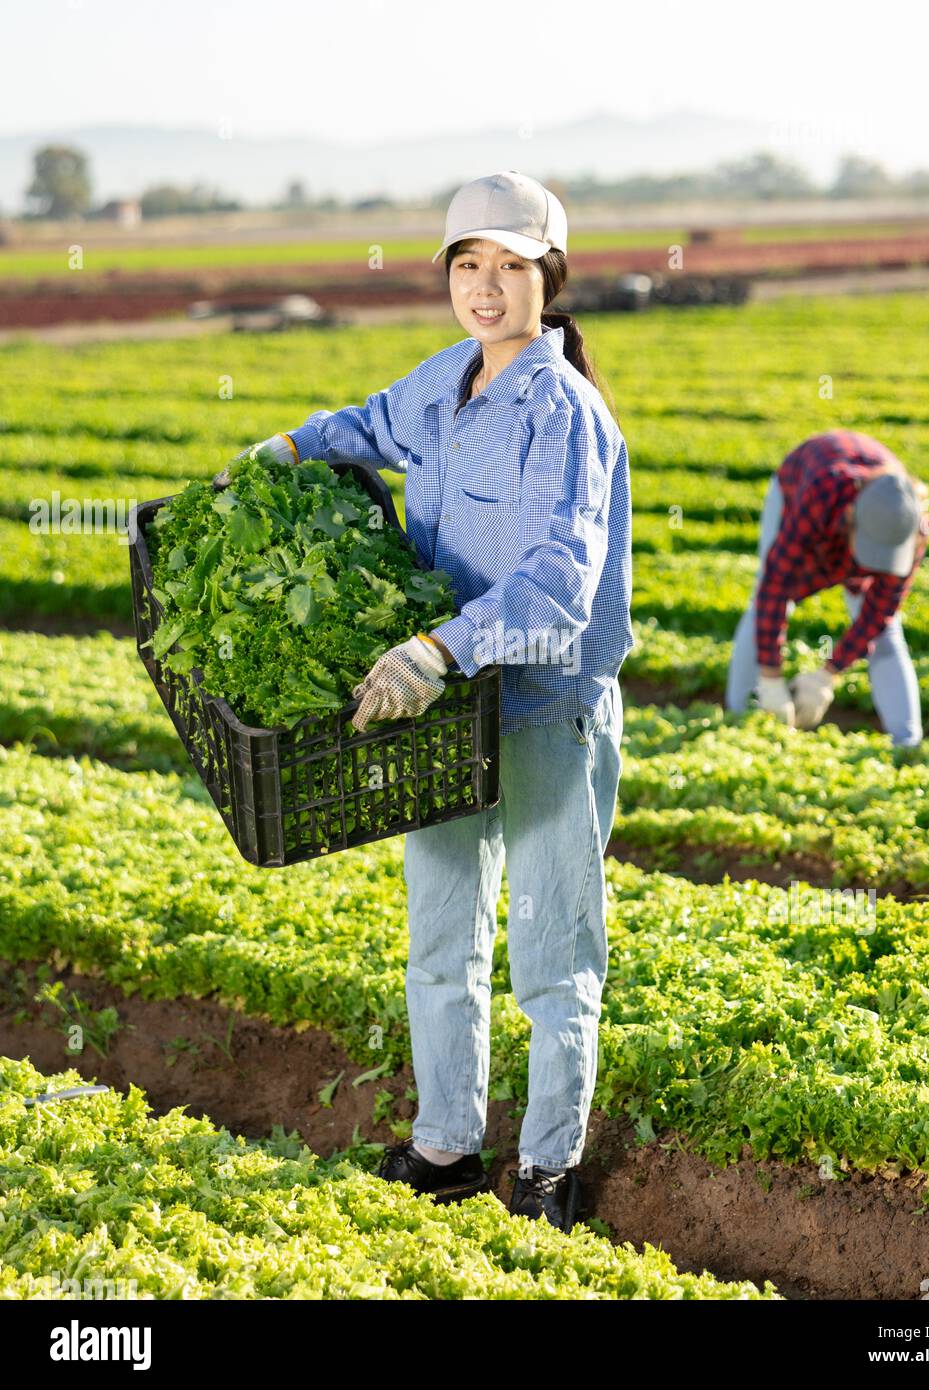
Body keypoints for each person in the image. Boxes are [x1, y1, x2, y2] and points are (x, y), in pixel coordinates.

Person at [217, 171, 633, 1233]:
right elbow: (370, 423)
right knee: (441, 935)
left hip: (539, 706)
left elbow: (556, 585)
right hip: (443, 718)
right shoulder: (446, 380)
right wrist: (295, 447)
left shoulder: (566, 414)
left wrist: (440, 649)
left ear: (548, 276)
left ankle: (547, 1167)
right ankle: (448, 1143)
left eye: (508, 266)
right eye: (466, 266)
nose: (485, 288)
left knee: (550, 948)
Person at [724, 429, 929, 746]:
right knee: (762, 603)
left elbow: (880, 613)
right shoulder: (821, 495)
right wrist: (771, 678)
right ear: (850, 519)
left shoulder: (909, 524)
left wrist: (827, 674)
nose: (873, 568)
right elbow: (775, 586)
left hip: (857, 515)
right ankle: (735, 720)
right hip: (798, 483)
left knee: (888, 632)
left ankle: (907, 744)